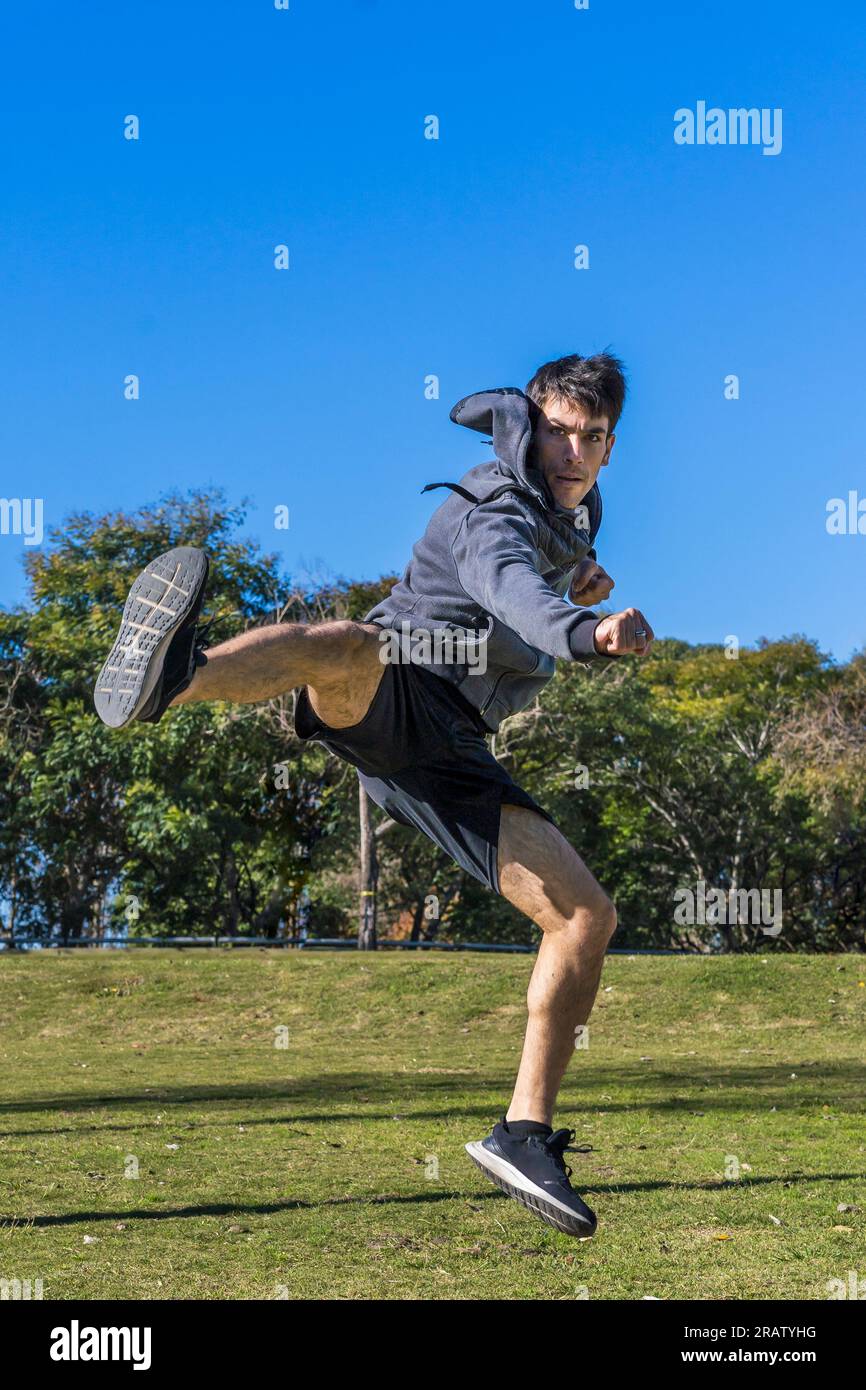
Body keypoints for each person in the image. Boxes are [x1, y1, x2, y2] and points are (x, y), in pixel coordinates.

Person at [93, 352, 654, 1238]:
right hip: (406, 688)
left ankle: (523, 1133)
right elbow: (508, 582)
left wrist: (575, 580)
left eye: (591, 437)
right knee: (353, 645)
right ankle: (175, 679)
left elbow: (536, 582)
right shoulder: (493, 508)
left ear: (610, 446)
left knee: (585, 918)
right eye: (555, 429)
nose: (570, 450)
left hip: (454, 752)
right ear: (526, 423)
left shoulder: (573, 519)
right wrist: (582, 627)